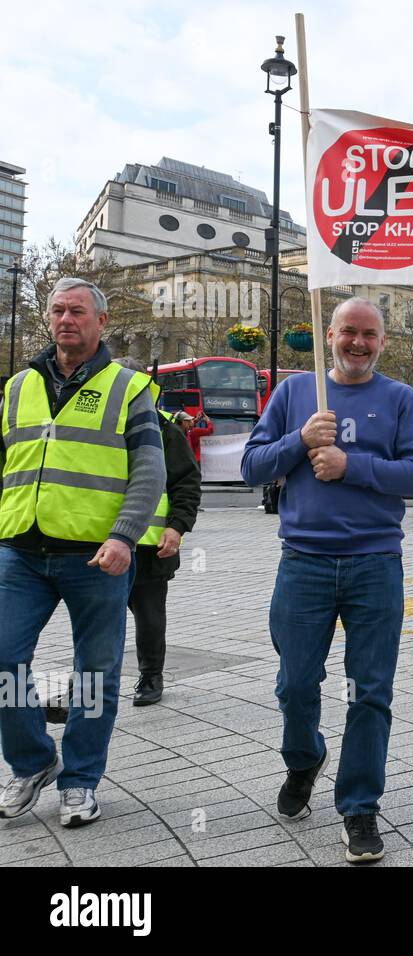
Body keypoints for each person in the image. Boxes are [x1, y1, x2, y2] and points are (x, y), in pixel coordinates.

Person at [241, 297, 413, 864]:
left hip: (375, 563)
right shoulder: (296, 393)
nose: (358, 343)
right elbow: (252, 466)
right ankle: (304, 759)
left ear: (383, 342)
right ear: (330, 334)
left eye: (369, 334)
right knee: (295, 684)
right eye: (348, 331)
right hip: (302, 562)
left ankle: (359, 806)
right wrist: (300, 442)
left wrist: (353, 466)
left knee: (369, 692)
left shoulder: (400, 400)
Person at [0, 278, 165, 828]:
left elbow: (149, 469)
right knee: (3, 658)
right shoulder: (18, 385)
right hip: (20, 550)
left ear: (102, 321)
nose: (65, 319)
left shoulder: (127, 387)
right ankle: (34, 761)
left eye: (77, 311)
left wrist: (124, 535)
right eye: (57, 310)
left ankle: (81, 781)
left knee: (94, 675)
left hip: (97, 556)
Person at [113, 358, 203, 707]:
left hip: (150, 546)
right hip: (99, 541)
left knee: (149, 618)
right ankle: (88, 680)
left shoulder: (165, 429)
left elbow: (187, 483)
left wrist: (177, 527)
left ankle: (151, 677)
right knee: (96, 620)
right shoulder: (99, 426)